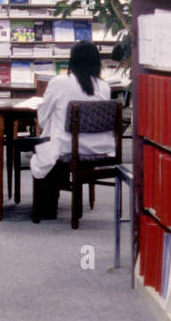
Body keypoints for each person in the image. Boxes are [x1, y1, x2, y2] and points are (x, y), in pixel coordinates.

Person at [29, 40, 114, 221]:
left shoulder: (59, 82)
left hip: (68, 148)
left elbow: (43, 118)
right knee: (54, 146)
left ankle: (47, 208)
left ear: (72, 60)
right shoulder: (104, 86)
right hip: (100, 149)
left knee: (46, 149)